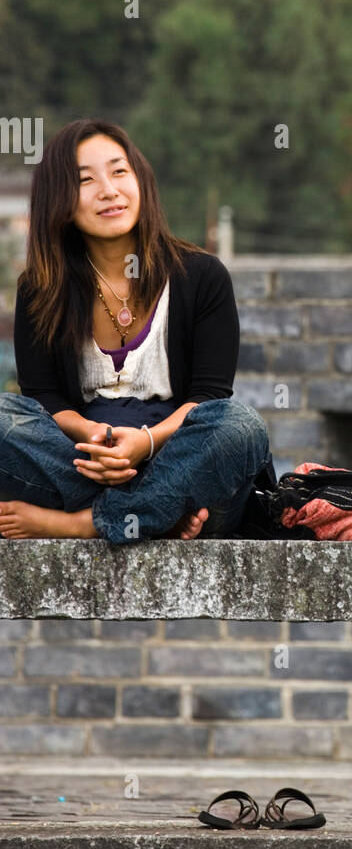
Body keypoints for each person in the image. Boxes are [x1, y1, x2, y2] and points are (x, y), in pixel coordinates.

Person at [0, 119, 270, 546]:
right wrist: (95, 439)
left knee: (240, 426)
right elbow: (44, 398)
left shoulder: (202, 277)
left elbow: (209, 397)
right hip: (85, 462)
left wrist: (144, 444)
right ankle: (156, 513)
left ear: (140, 179)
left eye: (119, 171)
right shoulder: (41, 288)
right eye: (86, 180)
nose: (109, 190)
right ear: (60, 201)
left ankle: (87, 524)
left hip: (181, 458)